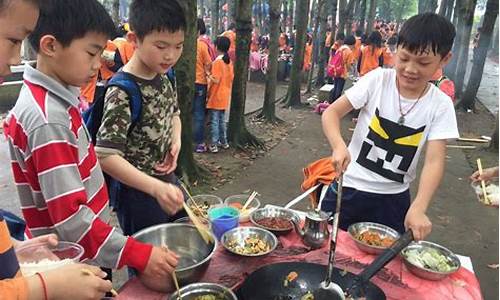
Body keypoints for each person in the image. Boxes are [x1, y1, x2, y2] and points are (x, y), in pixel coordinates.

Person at [3, 0, 179, 291]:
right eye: (91, 53)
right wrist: (140, 253)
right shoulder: (49, 120)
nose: (98, 65)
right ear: (50, 46)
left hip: (90, 249)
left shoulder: (57, 100)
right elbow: (72, 220)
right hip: (71, 264)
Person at [321, 13, 458, 241]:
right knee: (325, 251)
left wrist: (419, 207)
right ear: (395, 50)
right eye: (403, 58)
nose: (410, 69)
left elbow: (434, 160)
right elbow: (331, 113)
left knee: (380, 270)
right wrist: (338, 146)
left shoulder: (440, 105)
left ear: (444, 59)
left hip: (393, 200)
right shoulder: (377, 80)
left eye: (423, 63)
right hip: (349, 189)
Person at [95, 0, 186, 238]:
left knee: (181, 249)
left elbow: (174, 113)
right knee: (150, 263)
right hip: (138, 195)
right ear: (134, 39)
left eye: (178, 46)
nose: (170, 55)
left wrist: (175, 142)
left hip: (167, 182)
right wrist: (155, 188)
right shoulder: (123, 90)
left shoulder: (165, 74)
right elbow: (105, 155)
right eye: (161, 46)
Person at [207, 36, 234, 153]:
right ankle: (224, 142)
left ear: (217, 47)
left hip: (216, 95)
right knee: (222, 120)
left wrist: (208, 74)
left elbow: (216, 80)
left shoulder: (217, 62)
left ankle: (214, 144)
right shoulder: (229, 62)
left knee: (214, 121)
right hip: (225, 95)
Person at [193, 18, 214, 153]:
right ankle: (199, 142)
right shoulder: (201, 45)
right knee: (199, 113)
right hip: (200, 82)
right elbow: (208, 63)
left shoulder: (184, 44)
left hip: (187, 83)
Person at [330, 35, 356, 103]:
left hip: (336, 70)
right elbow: (348, 65)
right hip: (342, 72)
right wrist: (350, 71)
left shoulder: (340, 48)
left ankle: (331, 102)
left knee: (335, 87)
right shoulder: (349, 52)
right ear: (352, 44)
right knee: (339, 89)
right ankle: (335, 103)